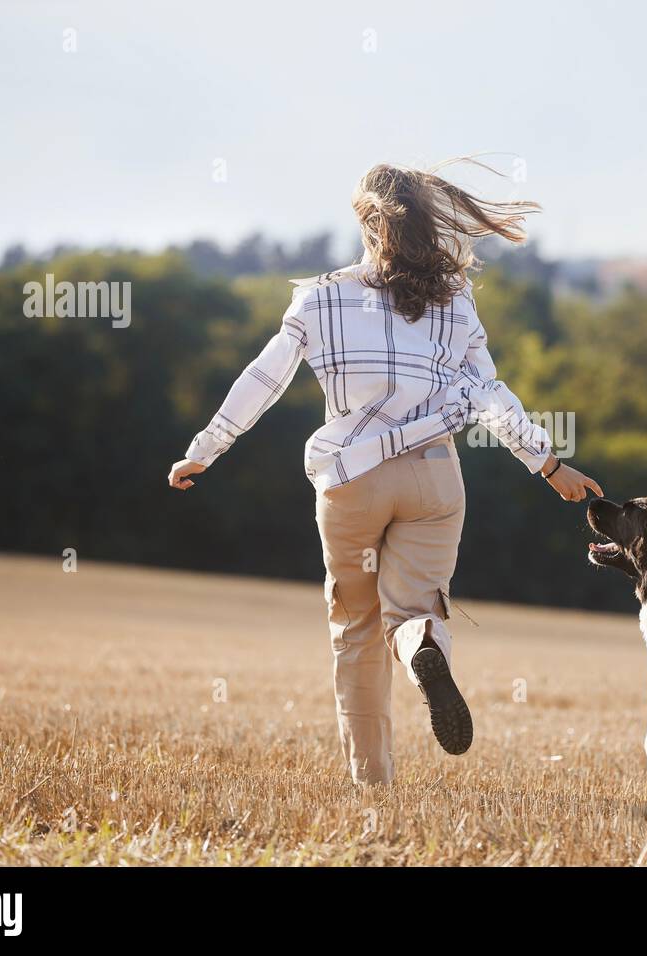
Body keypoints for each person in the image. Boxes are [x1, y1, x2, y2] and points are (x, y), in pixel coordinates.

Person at [167, 160, 603, 784]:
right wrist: (547, 462)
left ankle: (372, 781)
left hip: (352, 481)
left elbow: (261, 379)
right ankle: (422, 641)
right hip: (432, 477)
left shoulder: (319, 296)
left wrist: (205, 448)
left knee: (356, 627)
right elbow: (489, 394)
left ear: (365, 224)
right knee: (414, 607)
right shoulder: (455, 300)